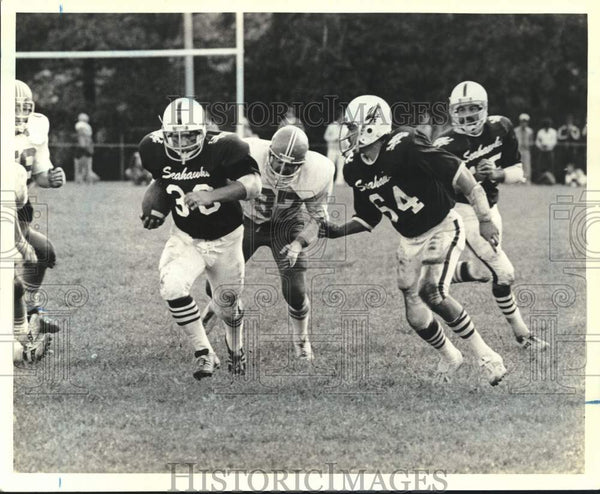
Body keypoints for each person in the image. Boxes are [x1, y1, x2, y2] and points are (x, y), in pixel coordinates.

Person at [321, 95, 506, 386]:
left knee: (432, 292)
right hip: (409, 239)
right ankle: (450, 356)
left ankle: (488, 356)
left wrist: (484, 218)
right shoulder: (354, 166)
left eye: (353, 125)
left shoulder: (406, 143)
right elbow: (369, 217)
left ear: (372, 125)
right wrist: (336, 231)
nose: (349, 132)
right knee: (413, 308)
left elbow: (461, 175)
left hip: (443, 225)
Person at [138, 97, 262, 379]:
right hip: (186, 237)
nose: (182, 144)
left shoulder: (226, 145)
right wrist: (157, 207)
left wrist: (212, 195)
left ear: (204, 130)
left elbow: (254, 185)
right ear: (164, 132)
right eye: (175, 137)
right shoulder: (152, 147)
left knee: (228, 303)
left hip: (227, 238)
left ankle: (236, 347)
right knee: (171, 286)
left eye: (190, 135)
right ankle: (204, 353)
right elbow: (163, 180)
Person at [202, 126, 335, 361]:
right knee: (216, 285)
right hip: (245, 219)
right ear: (269, 154)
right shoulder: (247, 151)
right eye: (278, 163)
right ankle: (215, 307)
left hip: (286, 224)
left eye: (292, 166)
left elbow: (317, 219)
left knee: (295, 289)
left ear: (302, 164)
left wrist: (298, 244)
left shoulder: (319, 170)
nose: (283, 170)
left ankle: (301, 340)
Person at [434, 81, 547, 351]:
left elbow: (518, 172)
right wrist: (471, 177)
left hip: (491, 207)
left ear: (484, 108)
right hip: (464, 211)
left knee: (484, 272)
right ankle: (523, 335)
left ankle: (434, 279)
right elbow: (437, 187)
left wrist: (495, 174)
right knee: (505, 273)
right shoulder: (446, 144)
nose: (468, 115)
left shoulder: (501, 127)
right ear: (452, 111)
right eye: (461, 109)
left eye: (474, 108)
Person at [15, 79, 65, 334]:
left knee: (44, 251)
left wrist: (52, 178)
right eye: (12, 107)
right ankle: (19, 325)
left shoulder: (35, 127)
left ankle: (30, 309)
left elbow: (40, 174)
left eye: (24, 107)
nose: (18, 113)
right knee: (10, 272)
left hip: (19, 204)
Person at [74, 113, 98, 184]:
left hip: (84, 147)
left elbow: (82, 137)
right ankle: (87, 179)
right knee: (85, 166)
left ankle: (84, 179)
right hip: (86, 147)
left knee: (81, 166)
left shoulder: (80, 126)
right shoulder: (86, 127)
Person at [535, 118, 558, 183]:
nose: (547, 127)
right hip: (542, 151)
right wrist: (541, 146)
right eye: (546, 126)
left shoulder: (553, 132)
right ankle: (540, 181)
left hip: (549, 151)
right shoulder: (540, 132)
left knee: (551, 166)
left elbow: (554, 141)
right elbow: (537, 141)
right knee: (540, 165)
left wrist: (548, 146)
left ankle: (551, 181)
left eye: (548, 125)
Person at [324, 119, 346, 185]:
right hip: (332, 149)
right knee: (330, 165)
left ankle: (339, 181)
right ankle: (327, 181)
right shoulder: (331, 126)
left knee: (341, 166)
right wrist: (334, 139)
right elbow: (326, 137)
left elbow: (347, 138)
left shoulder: (345, 127)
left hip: (341, 149)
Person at [515, 113, 534, 182]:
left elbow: (531, 141)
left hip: (526, 150)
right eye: (522, 121)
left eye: (525, 122)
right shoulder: (516, 131)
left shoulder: (530, 131)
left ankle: (527, 180)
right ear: (520, 122)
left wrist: (528, 145)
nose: (524, 123)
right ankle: (518, 180)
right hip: (518, 150)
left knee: (527, 165)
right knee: (518, 165)